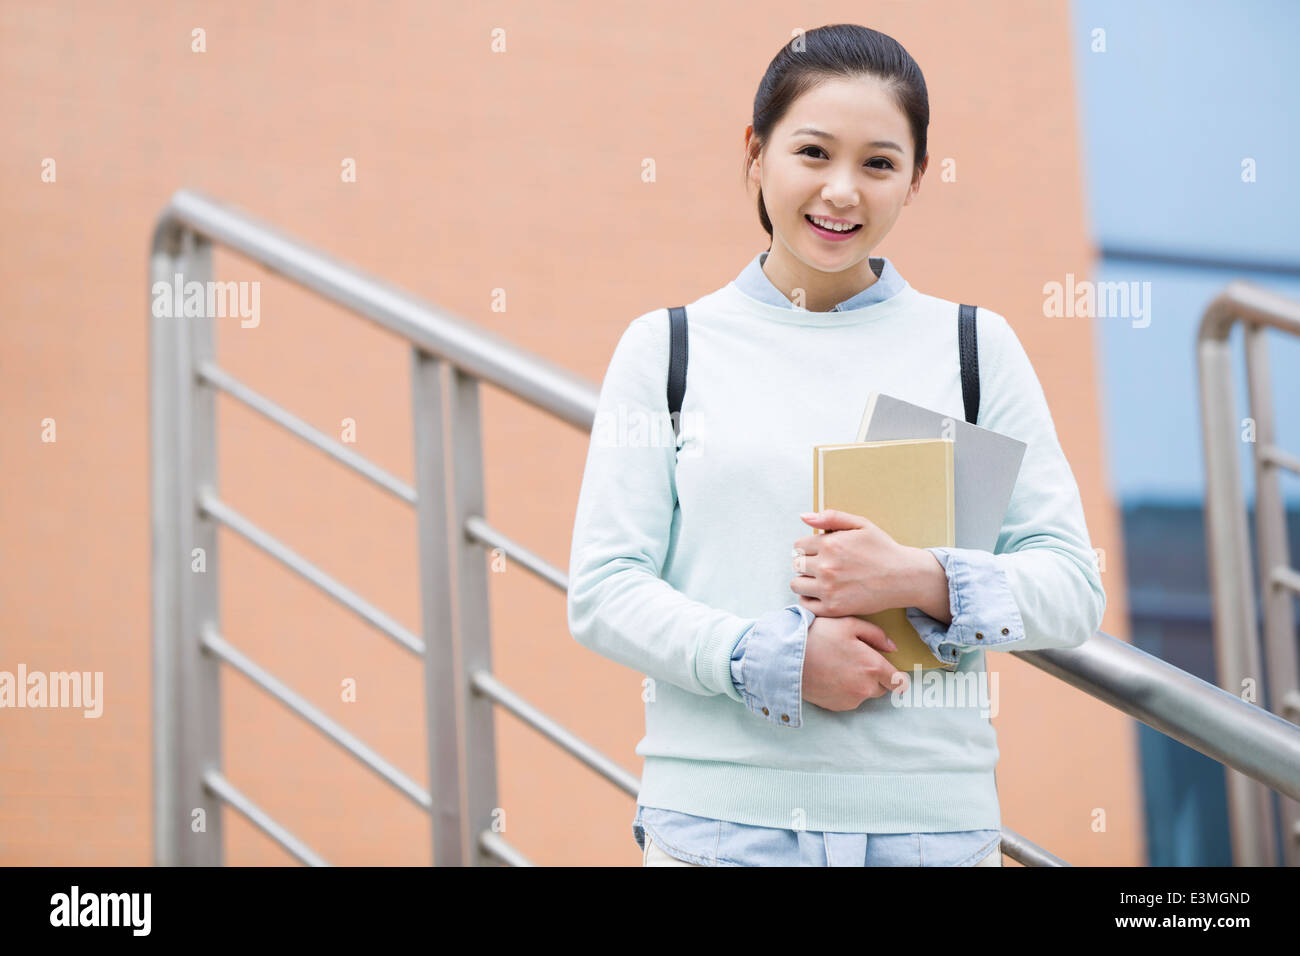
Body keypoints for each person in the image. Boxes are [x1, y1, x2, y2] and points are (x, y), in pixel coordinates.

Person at [566, 23, 1105, 867]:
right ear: (755, 153)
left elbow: (1072, 587)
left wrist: (921, 577)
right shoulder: (669, 348)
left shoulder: (973, 348)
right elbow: (603, 590)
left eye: (880, 164)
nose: (842, 192)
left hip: (931, 831)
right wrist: (771, 658)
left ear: (916, 179)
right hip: (720, 828)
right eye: (813, 152)